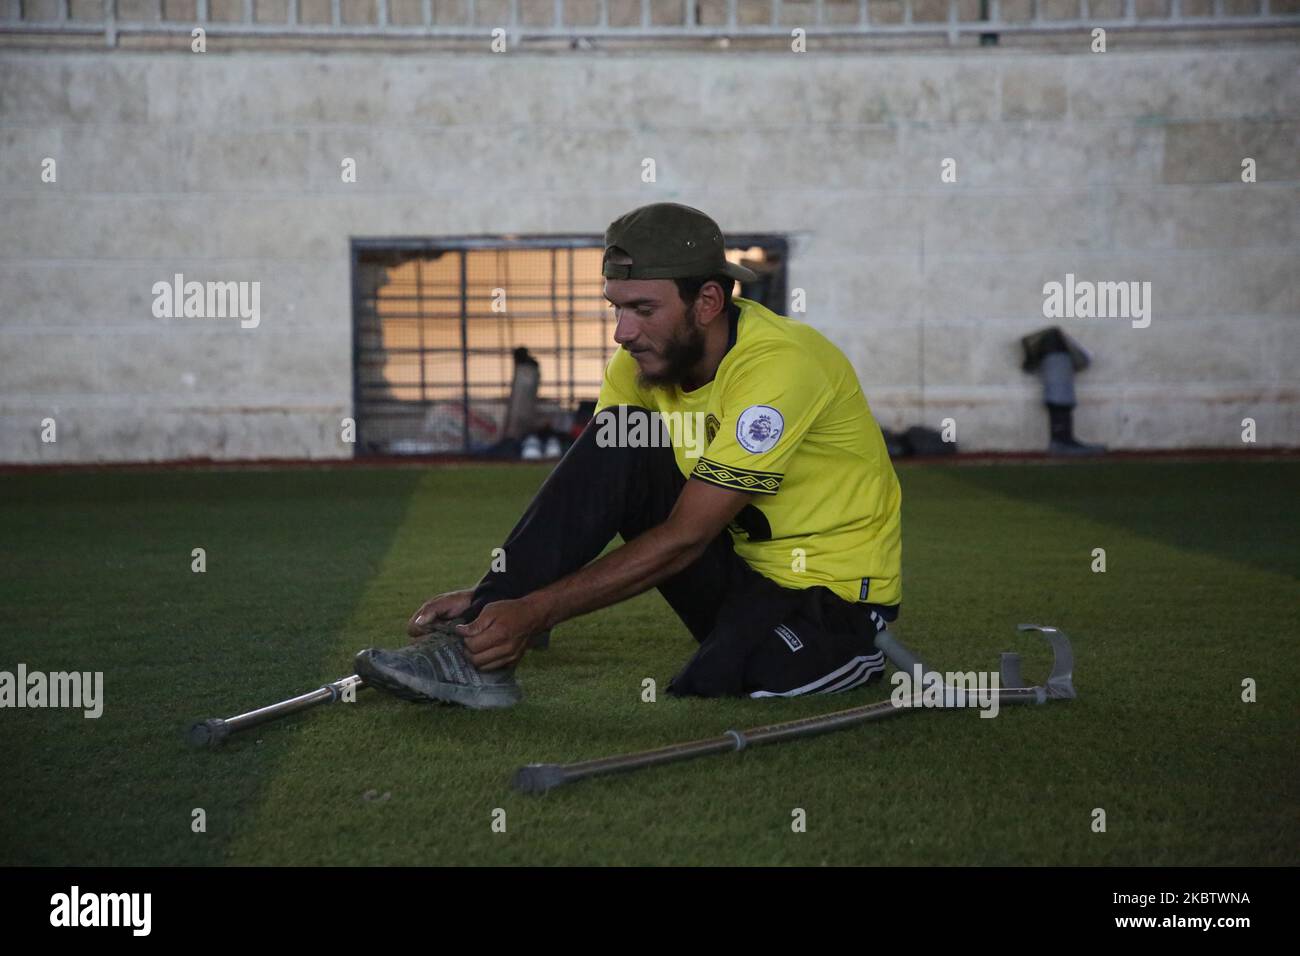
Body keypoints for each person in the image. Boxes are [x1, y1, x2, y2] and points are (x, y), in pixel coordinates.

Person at [354, 202, 903, 708]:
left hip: (826, 596)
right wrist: (504, 595)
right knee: (621, 432)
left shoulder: (780, 366)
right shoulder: (641, 364)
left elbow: (686, 536)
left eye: (643, 308)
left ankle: (857, 648)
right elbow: (597, 485)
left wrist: (537, 611)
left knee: (735, 680)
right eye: (616, 308)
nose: (623, 332)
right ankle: (476, 643)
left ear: (708, 301)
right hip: (736, 574)